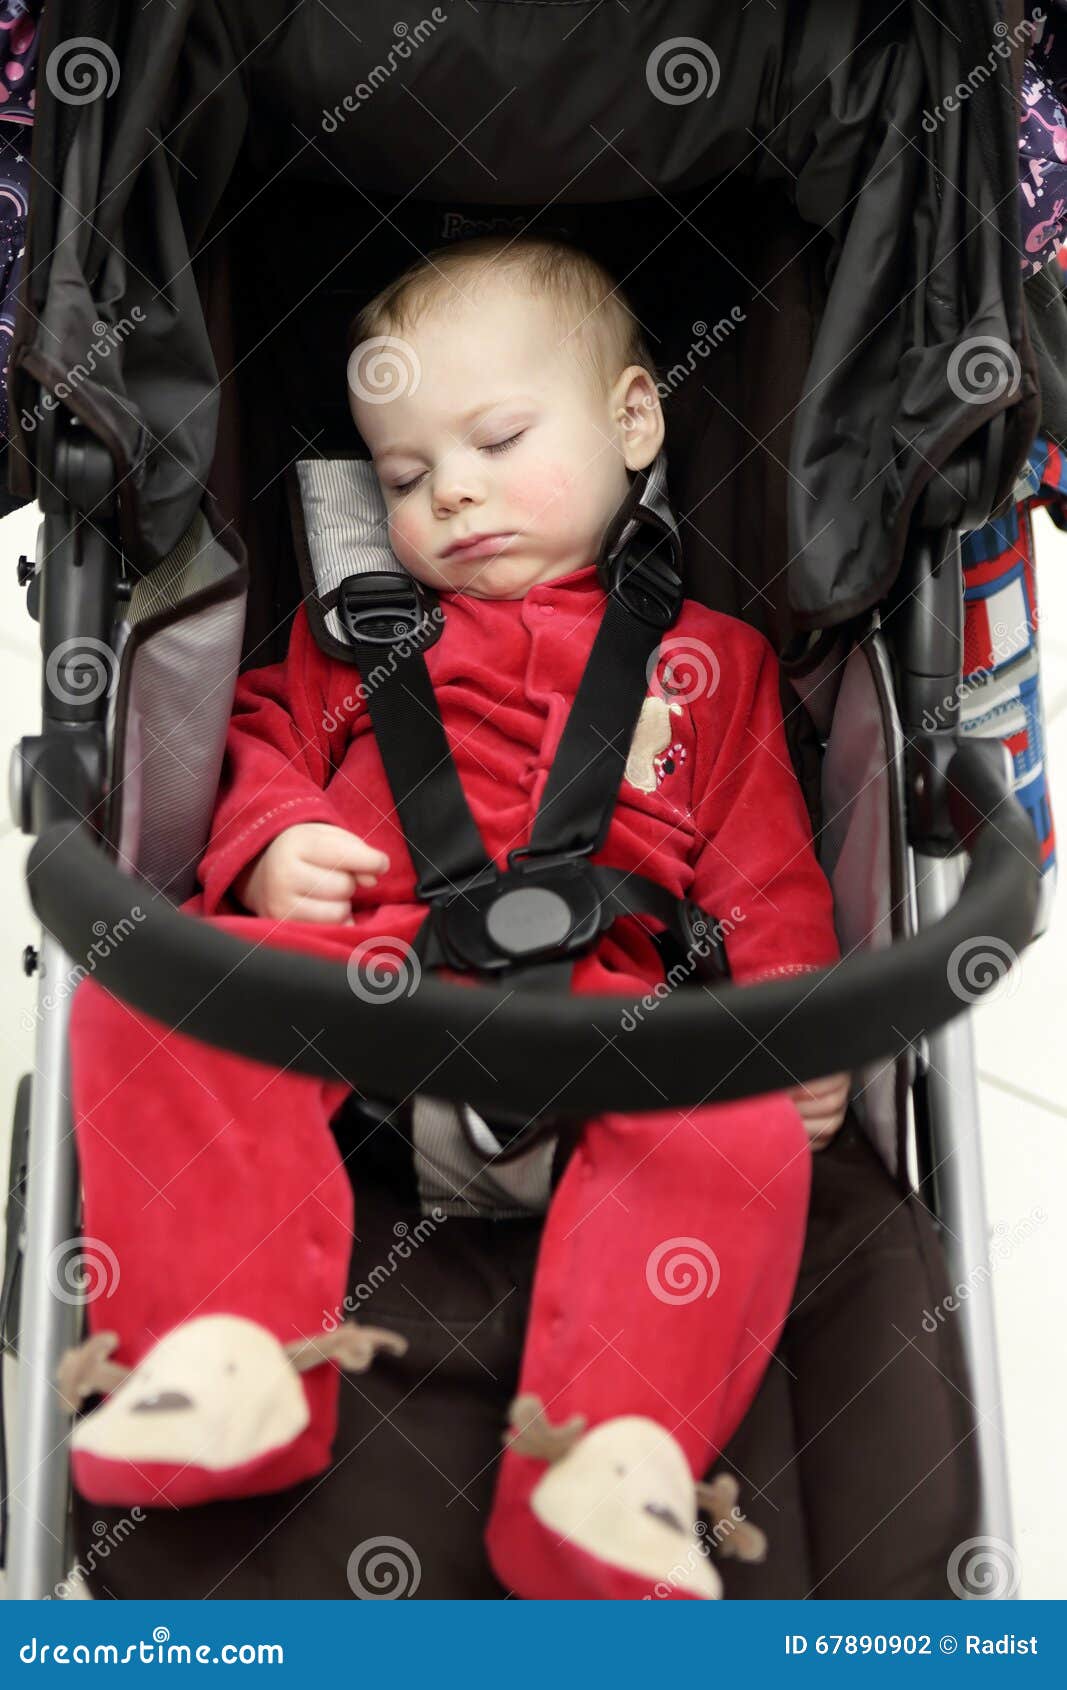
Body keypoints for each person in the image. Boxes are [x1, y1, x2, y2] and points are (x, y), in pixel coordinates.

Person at [66, 236, 849, 1600]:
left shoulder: (715, 664)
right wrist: (268, 847)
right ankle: (222, 1356)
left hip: (606, 1018)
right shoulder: (352, 632)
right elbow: (261, 745)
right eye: (410, 478)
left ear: (633, 418)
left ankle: (611, 1467)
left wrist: (795, 1009)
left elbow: (768, 868)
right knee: (144, 992)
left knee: (739, 1128)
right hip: (358, 979)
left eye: (495, 440)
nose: (455, 494)